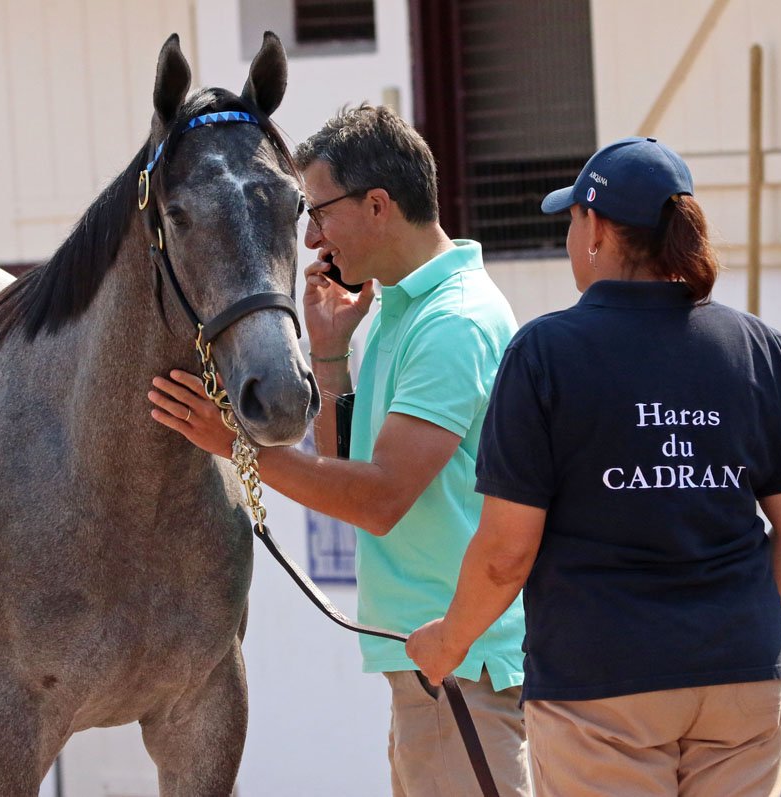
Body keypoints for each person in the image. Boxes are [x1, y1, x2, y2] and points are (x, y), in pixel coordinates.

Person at [406, 136, 781, 797]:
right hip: (743, 677)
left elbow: (505, 553)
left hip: (600, 685)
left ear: (597, 228)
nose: (571, 237)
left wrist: (449, 641)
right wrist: (725, 617)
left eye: (572, 219)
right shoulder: (760, 349)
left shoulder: (544, 354)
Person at [148, 104, 531, 797]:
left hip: (459, 666)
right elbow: (350, 475)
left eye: (317, 212)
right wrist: (328, 353)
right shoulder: (399, 309)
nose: (313, 236)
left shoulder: (453, 322)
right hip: (434, 667)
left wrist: (231, 445)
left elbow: (380, 500)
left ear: (378, 205)